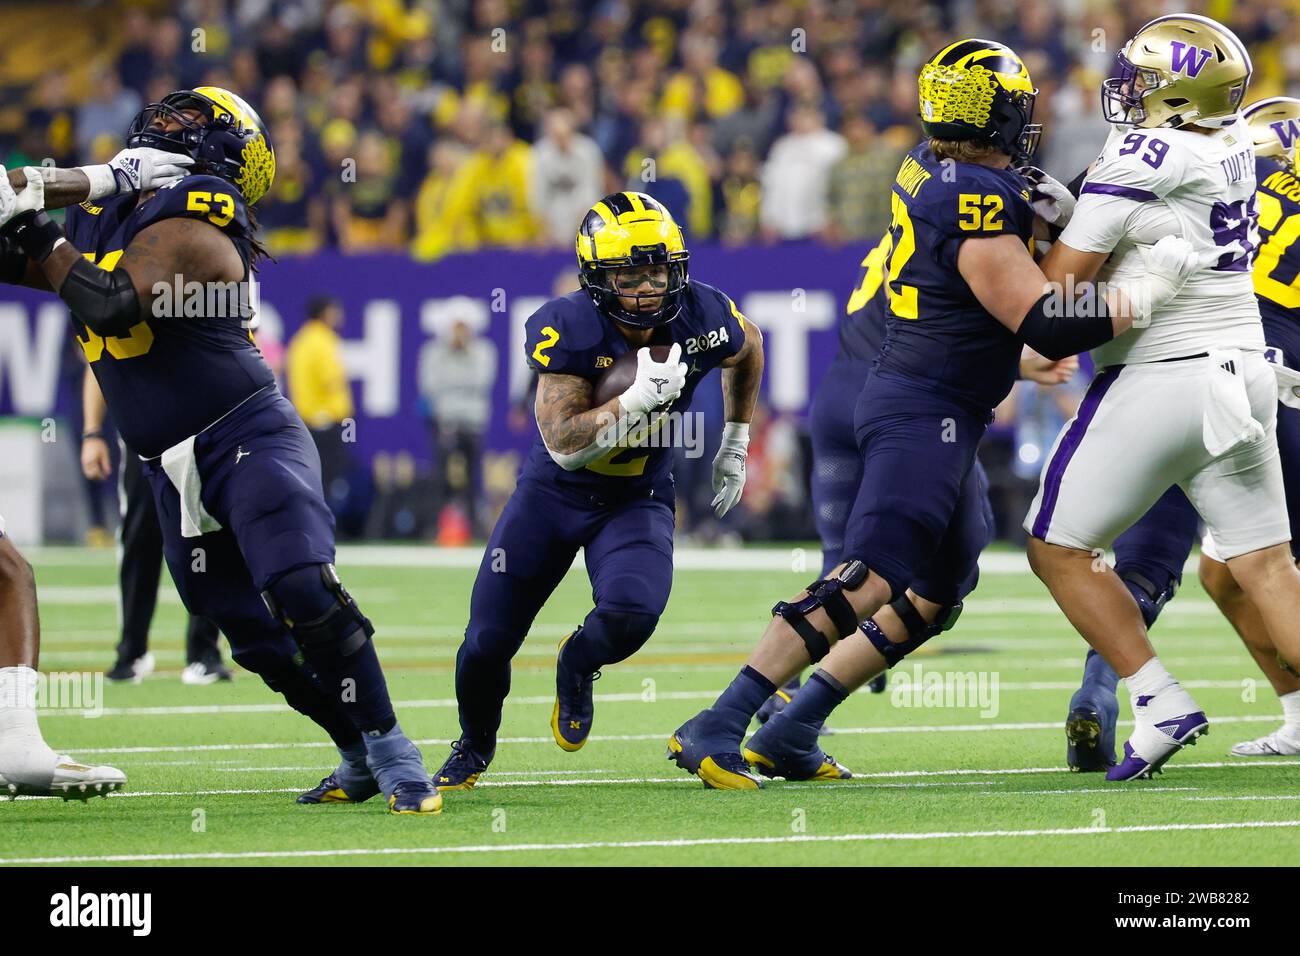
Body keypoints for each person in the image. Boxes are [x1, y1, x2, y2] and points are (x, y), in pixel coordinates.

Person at [666, 39, 1198, 789]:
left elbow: (978, 296)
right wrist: (1141, 294)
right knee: (870, 577)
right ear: (1000, 117)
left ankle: (793, 726)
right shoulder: (971, 196)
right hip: (922, 408)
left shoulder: (935, 164)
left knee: (943, 583)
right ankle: (721, 719)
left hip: (933, 397)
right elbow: (1043, 317)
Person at [0, 86, 440, 814]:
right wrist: (24, 211)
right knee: (256, 641)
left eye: (194, 121)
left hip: (243, 435)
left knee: (301, 588)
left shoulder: (205, 208)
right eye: (172, 113)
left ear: (228, 155)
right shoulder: (112, 206)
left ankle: (395, 747)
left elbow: (108, 299)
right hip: (167, 471)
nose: (169, 122)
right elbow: (32, 264)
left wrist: (40, 229)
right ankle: (355, 747)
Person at [1024, 14, 1300, 781]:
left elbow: (1052, 310)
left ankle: (1157, 699)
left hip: (1165, 371)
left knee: (1057, 546)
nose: (1127, 89)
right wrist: (1071, 206)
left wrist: (1131, 289)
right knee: (1268, 567)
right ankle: (1158, 705)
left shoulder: (1136, 155)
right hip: (1246, 369)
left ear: (1178, 94)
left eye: (1144, 80)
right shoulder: (1235, 143)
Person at [431, 191, 764, 791]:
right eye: (628, 273)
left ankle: (577, 662)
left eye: (657, 270)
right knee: (486, 641)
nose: (647, 287)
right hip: (554, 492)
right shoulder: (569, 326)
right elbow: (562, 442)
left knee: (635, 612)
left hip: (637, 495)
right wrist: (633, 400)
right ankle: (474, 746)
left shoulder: (702, 315)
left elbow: (751, 347)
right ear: (595, 277)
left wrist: (735, 442)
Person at [81, 370, 232, 685]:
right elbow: (98, 364)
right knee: (139, 540)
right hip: (143, 441)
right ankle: (131, 650)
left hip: (201, 436)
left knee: (205, 539)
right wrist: (92, 432)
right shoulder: (121, 321)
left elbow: (242, 349)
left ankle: (204, 652)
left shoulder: (203, 319)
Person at [285, 294, 354, 519]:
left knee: (311, 475)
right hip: (327, 421)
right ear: (324, 313)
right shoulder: (324, 340)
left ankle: (309, 522)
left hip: (305, 419)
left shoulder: (299, 340)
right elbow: (331, 379)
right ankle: (326, 524)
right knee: (331, 477)